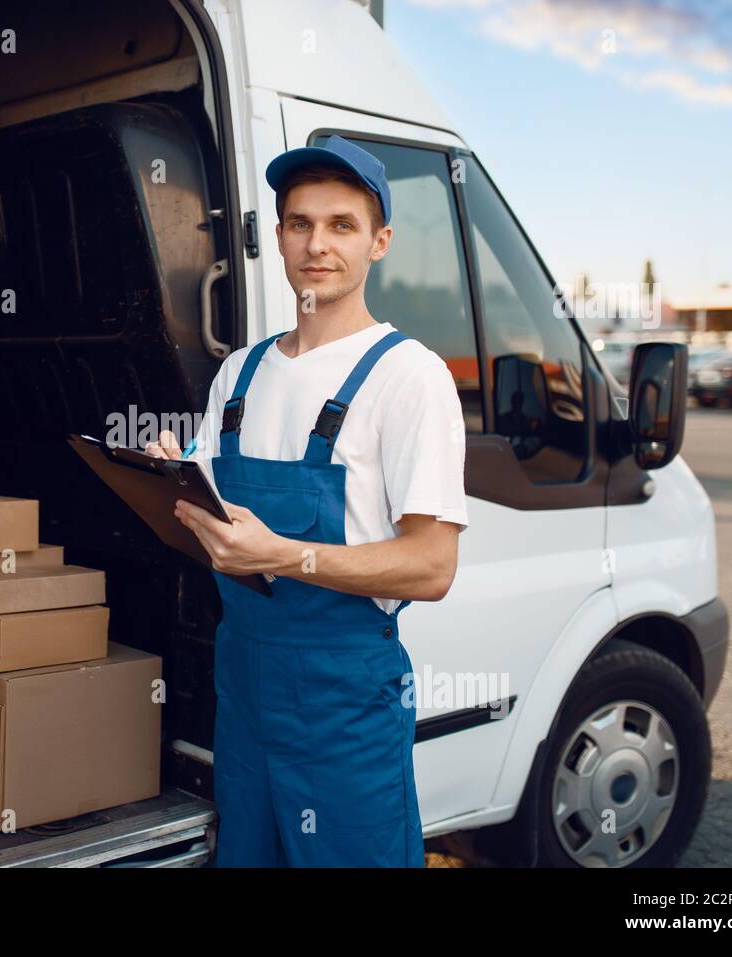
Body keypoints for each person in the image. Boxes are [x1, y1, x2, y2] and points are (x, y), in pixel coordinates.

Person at [145, 134, 469, 866]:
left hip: (344, 704)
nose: (316, 244)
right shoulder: (240, 373)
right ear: (281, 236)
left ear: (380, 241)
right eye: (299, 223)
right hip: (245, 691)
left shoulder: (408, 377)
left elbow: (432, 566)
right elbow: (214, 529)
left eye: (341, 225)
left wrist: (287, 556)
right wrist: (171, 482)